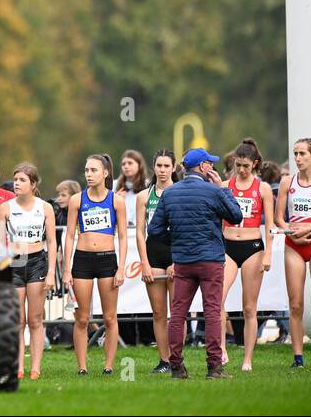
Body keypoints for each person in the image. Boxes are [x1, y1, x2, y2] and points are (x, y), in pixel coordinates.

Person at [148, 147, 243, 379]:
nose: (212, 166)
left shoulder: (169, 193)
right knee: (211, 312)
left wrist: (178, 239)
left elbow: (154, 230)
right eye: (209, 163)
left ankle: (177, 367)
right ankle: (214, 368)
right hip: (210, 259)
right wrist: (223, 188)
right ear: (202, 167)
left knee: (178, 313)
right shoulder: (213, 191)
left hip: (182, 261)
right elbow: (236, 216)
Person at [63, 153, 127, 376]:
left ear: (105, 173)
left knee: (110, 317)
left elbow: (123, 236)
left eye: (94, 170)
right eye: (87, 170)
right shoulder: (77, 200)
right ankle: (82, 367)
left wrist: (121, 267)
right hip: (82, 261)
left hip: (107, 259)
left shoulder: (116, 200)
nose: (89, 175)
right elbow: (69, 235)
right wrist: (66, 269)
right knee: (82, 317)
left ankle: (109, 366)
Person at [220, 138, 274, 371]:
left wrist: (268, 253)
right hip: (228, 246)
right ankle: (220, 349)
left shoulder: (262, 188)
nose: (241, 170)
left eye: (245, 165)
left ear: (255, 164)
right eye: (237, 165)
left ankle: (247, 359)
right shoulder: (225, 186)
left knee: (249, 308)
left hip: (253, 248)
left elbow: (270, 225)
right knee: (217, 300)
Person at [276, 137, 311, 368]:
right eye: (295, 154)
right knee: (296, 304)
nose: (298, 158)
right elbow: (279, 218)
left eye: (302, 154)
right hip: (294, 245)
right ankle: (298, 358)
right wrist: (290, 231)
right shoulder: (288, 182)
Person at [1, 163, 55, 379]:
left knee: (35, 319)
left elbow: (51, 241)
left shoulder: (45, 207)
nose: (17, 183)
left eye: (22, 180)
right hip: (14, 263)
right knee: (17, 320)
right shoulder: (6, 207)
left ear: (33, 184)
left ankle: (35, 367)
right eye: (15, 180)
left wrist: (51, 272)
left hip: (37, 262)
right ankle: (18, 366)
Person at [136, 150, 178, 373]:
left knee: (176, 312)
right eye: (159, 166)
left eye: (166, 166)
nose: (162, 170)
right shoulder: (144, 196)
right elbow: (139, 233)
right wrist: (144, 263)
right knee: (159, 312)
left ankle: (177, 359)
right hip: (153, 252)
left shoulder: (179, 192)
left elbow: (183, 229)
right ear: (154, 167)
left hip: (175, 252)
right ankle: (164, 360)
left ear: (173, 168)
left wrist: (177, 261)